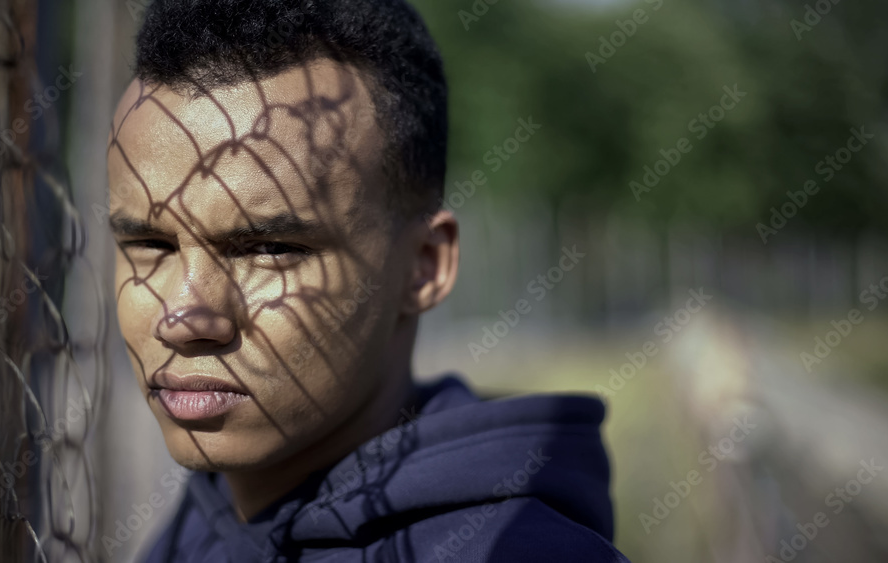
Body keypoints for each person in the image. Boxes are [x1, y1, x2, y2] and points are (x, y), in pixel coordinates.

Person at [107, 0, 629, 560]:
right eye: (150, 245)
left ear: (425, 265)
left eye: (269, 248)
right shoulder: (202, 521)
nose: (182, 319)